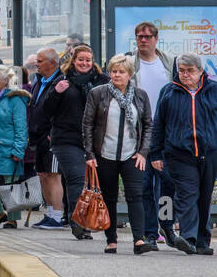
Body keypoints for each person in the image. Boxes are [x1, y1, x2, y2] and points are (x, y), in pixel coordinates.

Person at [82, 55, 154, 254]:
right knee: (109, 197)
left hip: (132, 155)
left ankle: (139, 240)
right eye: (113, 71)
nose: (116, 75)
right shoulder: (98, 93)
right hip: (104, 154)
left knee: (136, 195)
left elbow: (148, 124)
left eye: (121, 72)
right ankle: (111, 239)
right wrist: (89, 154)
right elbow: (87, 124)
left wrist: (143, 152)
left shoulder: (140, 95)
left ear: (129, 74)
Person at [149, 54, 217, 255]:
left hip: (209, 153)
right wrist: (155, 154)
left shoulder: (213, 90)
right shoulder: (169, 92)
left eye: (190, 71)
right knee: (188, 193)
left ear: (200, 71)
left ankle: (203, 241)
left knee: (204, 197)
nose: (185, 75)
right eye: (182, 70)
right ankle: (189, 238)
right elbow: (158, 124)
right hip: (179, 154)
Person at [43, 44, 108, 239]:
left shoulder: (102, 81)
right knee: (77, 178)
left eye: (88, 60)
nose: (84, 63)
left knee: (93, 181)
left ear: (93, 61)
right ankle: (78, 221)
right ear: (74, 60)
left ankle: (89, 220)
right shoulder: (62, 81)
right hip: (66, 139)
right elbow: (46, 109)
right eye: (81, 59)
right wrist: (57, 92)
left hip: (95, 140)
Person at [127, 21, 179, 247]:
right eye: (139, 36)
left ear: (156, 39)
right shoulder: (130, 62)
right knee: (145, 185)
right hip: (140, 132)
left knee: (168, 182)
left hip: (166, 131)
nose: (143, 40)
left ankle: (166, 226)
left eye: (148, 36)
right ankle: (150, 232)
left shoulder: (169, 63)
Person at [0, 65, 29, 229]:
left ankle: (12, 218)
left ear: (5, 81)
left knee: (11, 184)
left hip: (9, 149)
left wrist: (18, 150)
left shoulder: (15, 99)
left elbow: (21, 127)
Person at [26, 47, 65, 229]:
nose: (36, 64)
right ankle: (49, 214)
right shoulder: (39, 80)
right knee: (42, 175)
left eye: (40, 61)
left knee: (53, 175)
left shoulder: (61, 81)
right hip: (37, 136)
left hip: (51, 137)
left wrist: (53, 132)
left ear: (52, 63)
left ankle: (57, 216)